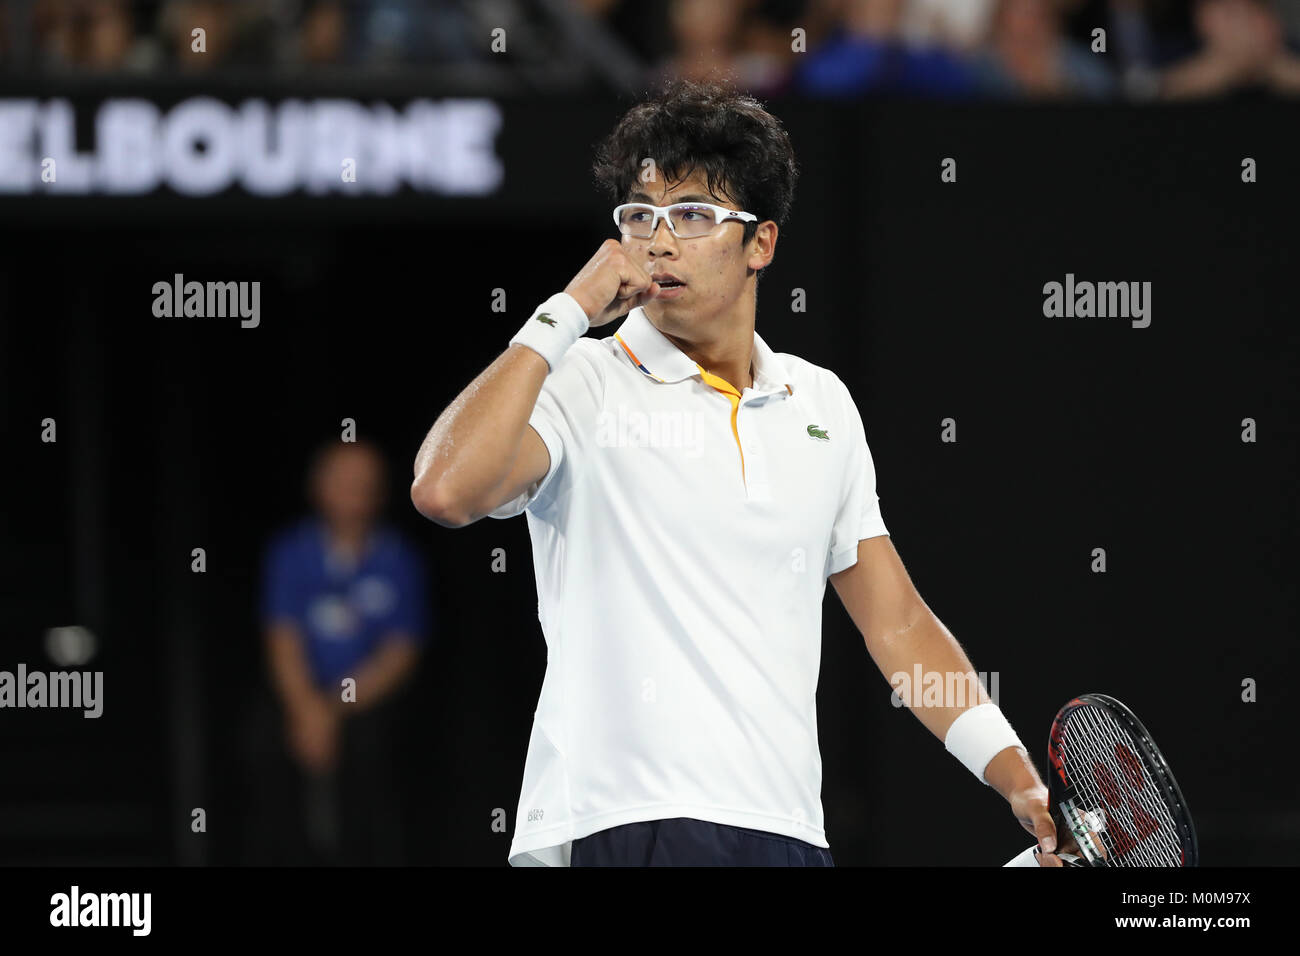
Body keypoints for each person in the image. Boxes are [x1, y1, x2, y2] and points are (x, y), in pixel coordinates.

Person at [411, 78, 1067, 867]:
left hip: (786, 830)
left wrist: (1010, 770)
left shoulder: (819, 403)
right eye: (641, 216)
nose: (659, 241)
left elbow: (897, 624)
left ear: (761, 244)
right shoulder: (580, 382)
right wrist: (566, 311)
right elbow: (445, 490)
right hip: (627, 821)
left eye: (692, 217)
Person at [246, 439, 428, 865]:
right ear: (318, 487)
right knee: (261, 745)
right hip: (299, 698)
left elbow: (400, 653)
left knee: (375, 755)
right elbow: (281, 639)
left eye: (366, 484)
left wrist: (335, 708)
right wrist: (307, 710)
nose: (356, 494)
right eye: (344, 483)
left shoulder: (399, 558)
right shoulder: (290, 552)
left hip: (367, 704)